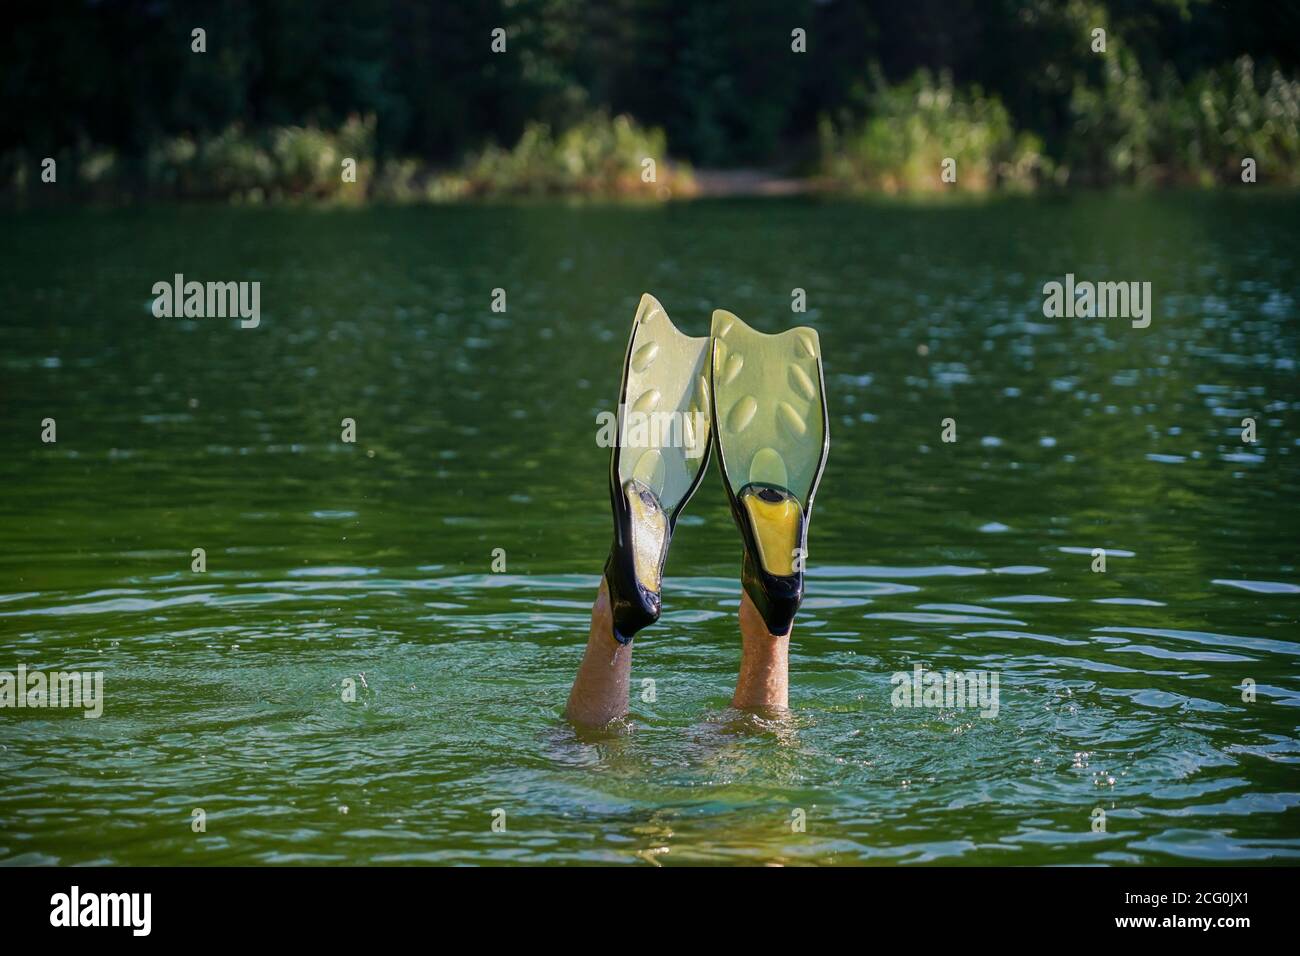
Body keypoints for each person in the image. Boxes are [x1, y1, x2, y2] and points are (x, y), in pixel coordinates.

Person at [566, 296, 828, 727]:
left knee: (585, 753)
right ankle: (771, 616)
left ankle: (617, 613)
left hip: (603, 791)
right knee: (754, 747)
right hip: (733, 788)